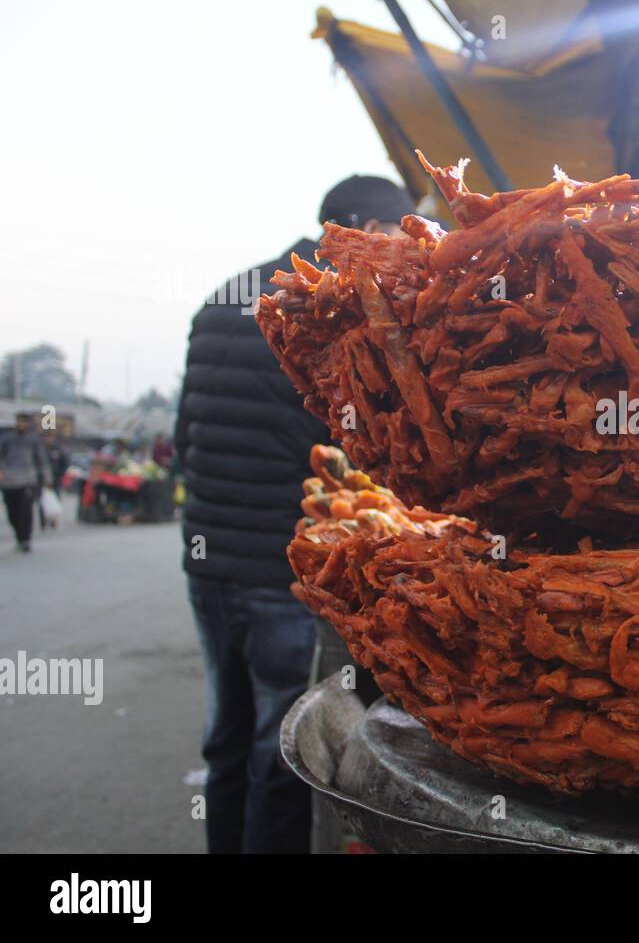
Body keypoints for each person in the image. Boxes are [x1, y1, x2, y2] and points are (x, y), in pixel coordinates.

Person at [174, 174, 412, 854]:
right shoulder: (333, 304)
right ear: (363, 229)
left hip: (207, 557)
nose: (400, 249)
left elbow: (186, 430)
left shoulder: (223, 297)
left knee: (226, 738)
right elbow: (353, 439)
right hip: (280, 559)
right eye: (397, 233)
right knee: (281, 749)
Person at [0, 412, 52, 552]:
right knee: (12, 512)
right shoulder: (6, 439)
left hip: (28, 480)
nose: (21, 424)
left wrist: (47, 478)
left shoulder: (34, 440)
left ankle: (25, 539)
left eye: (24, 421)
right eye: (19, 421)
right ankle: (18, 535)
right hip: (9, 481)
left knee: (25, 511)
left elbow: (41, 460)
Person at [39, 431, 69, 529]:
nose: (49, 439)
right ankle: (43, 521)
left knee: (55, 498)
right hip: (42, 479)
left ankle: (53, 520)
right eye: (47, 437)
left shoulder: (59, 450)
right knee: (43, 500)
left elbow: (65, 463)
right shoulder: (40, 449)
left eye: (51, 437)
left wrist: (61, 474)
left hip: (56, 478)